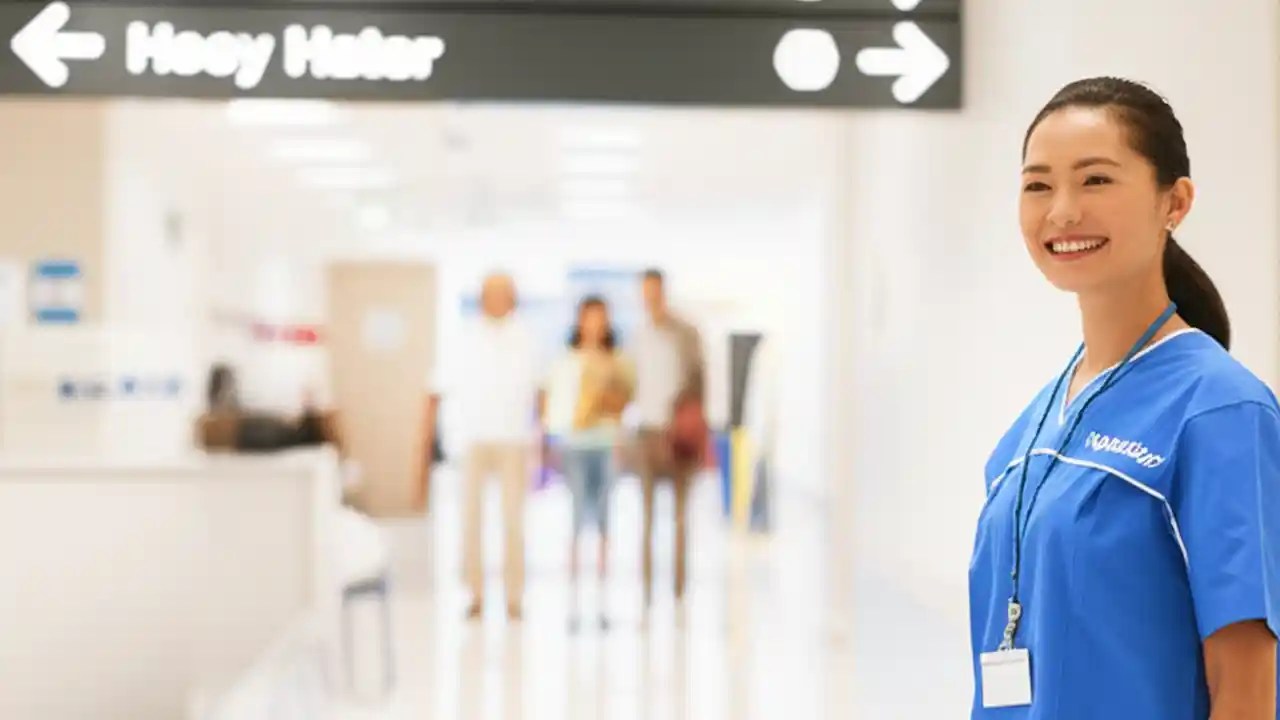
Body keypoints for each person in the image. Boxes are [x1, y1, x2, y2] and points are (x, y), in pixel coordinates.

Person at [969, 77, 1278, 719]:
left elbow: (1249, 683)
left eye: (1096, 180)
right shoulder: (1037, 422)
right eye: (1037, 185)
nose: (1061, 212)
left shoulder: (1220, 410)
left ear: (1176, 201)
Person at [432, 273, 540, 622]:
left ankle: (514, 595)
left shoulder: (525, 337)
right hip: (473, 439)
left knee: (512, 522)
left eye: (503, 293)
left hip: (513, 440)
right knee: (471, 521)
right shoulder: (464, 335)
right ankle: (475, 593)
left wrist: (541, 439)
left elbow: (539, 392)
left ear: (513, 298)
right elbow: (438, 388)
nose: (496, 300)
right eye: (490, 293)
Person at [546, 295, 634, 630]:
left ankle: (600, 603)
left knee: (604, 522)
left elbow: (624, 402)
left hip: (606, 445)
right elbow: (555, 405)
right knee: (575, 519)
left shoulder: (618, 361)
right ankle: (572, 603)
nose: (595, 325)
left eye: (601, 318)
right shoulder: (566, 360)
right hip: (574, 446)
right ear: (580, 320)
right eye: (589, 318)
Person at [631, 269, 705, 608]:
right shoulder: (638, 336)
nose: (649, 298)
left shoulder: (686, 334)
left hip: (678, 434)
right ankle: (645, 588)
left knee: (679, 517)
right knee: (645, 517)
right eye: (644, 292)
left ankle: (678, 588)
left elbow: (699, 380)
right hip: (646, 432)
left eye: (654, 291)